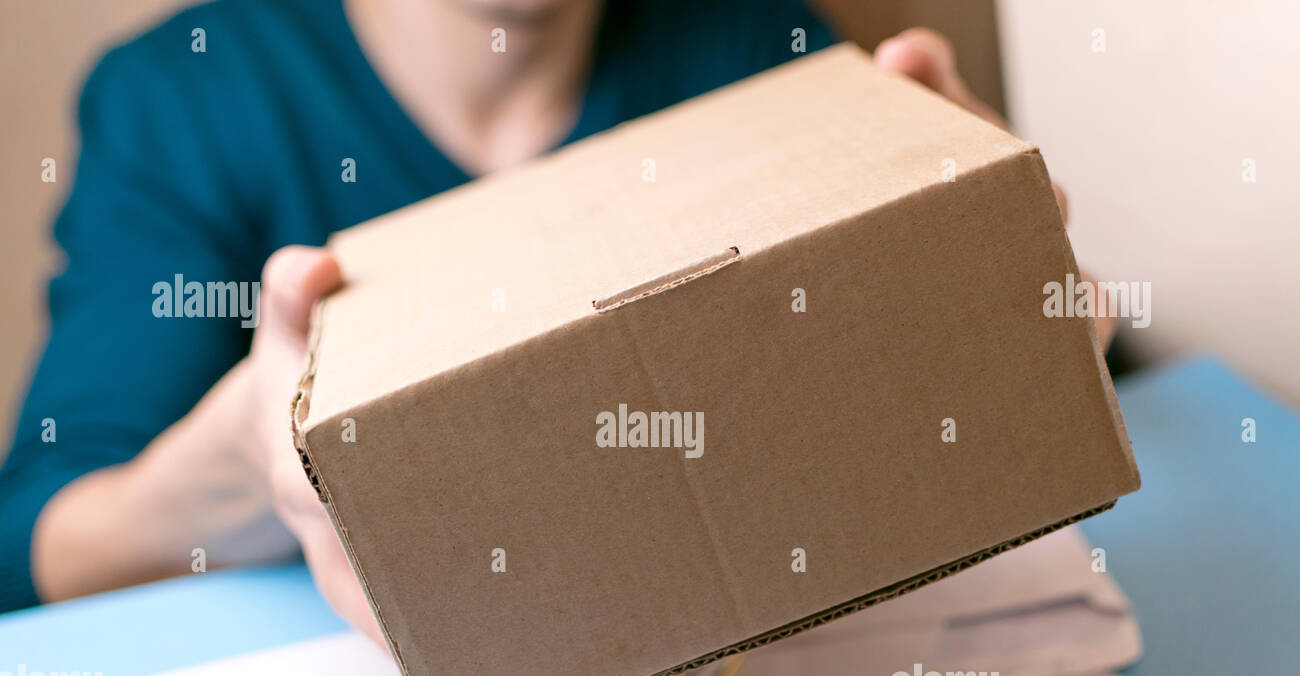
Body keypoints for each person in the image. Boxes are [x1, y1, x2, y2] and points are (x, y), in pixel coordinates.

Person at [0, 0, 1112, 638]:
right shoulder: (187, 98)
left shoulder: (743, 43)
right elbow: (33, 545)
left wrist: (1012, 314)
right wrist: (250, 456)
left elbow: (1042, 374)